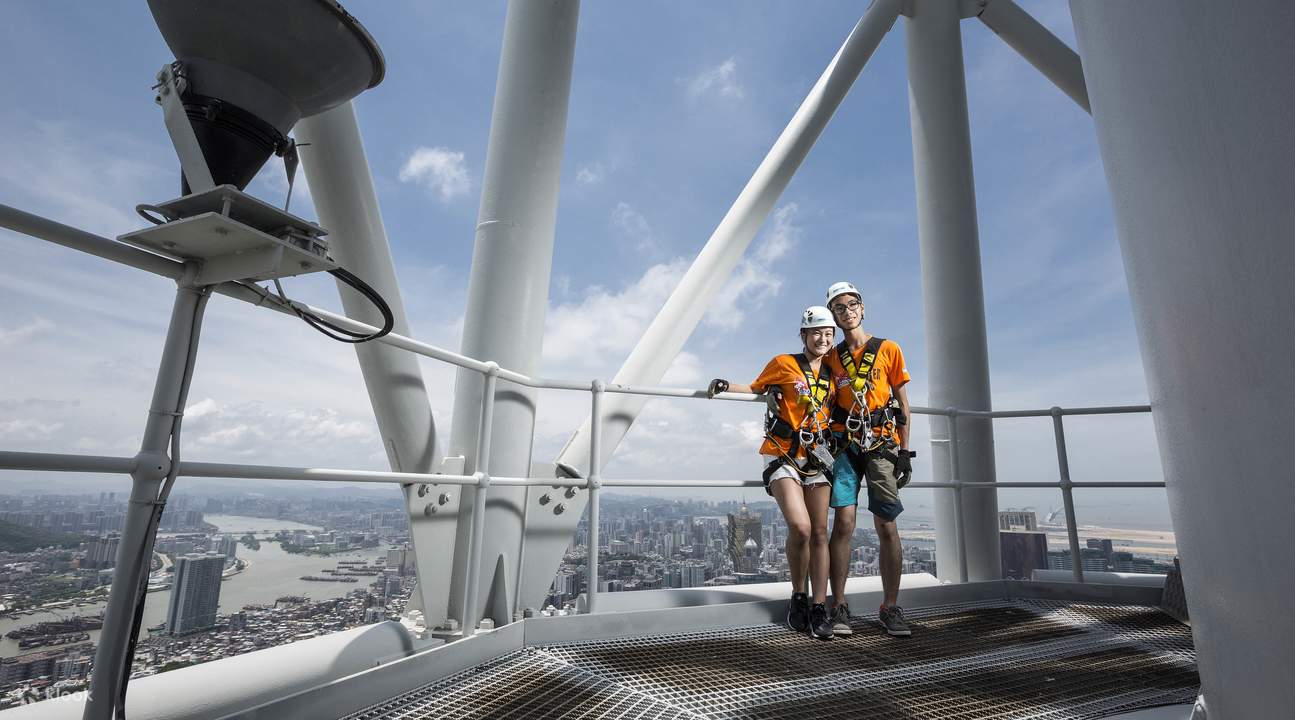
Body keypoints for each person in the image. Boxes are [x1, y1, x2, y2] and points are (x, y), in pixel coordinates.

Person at [708, 306, 838, 640]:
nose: (823, 339)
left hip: (817, 457)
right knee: (801, 526)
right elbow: (756, 387)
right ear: (803, 335)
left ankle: (819, 606)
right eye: (816, 333)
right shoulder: (783, 363)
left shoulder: (835, 371)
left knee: (821, 532)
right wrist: (725, 385)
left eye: (828, 334)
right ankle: (798, 595)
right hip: (782, 454)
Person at [820, 281, 915, 637]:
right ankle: (839, 605)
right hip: (845, 447)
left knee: (886, 526)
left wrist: (904, 450)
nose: (846, 312)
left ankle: (890, 607)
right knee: (843, 524)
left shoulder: (888, 349)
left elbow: (903, 405)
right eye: (838, 309)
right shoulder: (832, 357)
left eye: (851, 305)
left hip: (881, 445)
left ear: (863, 307)